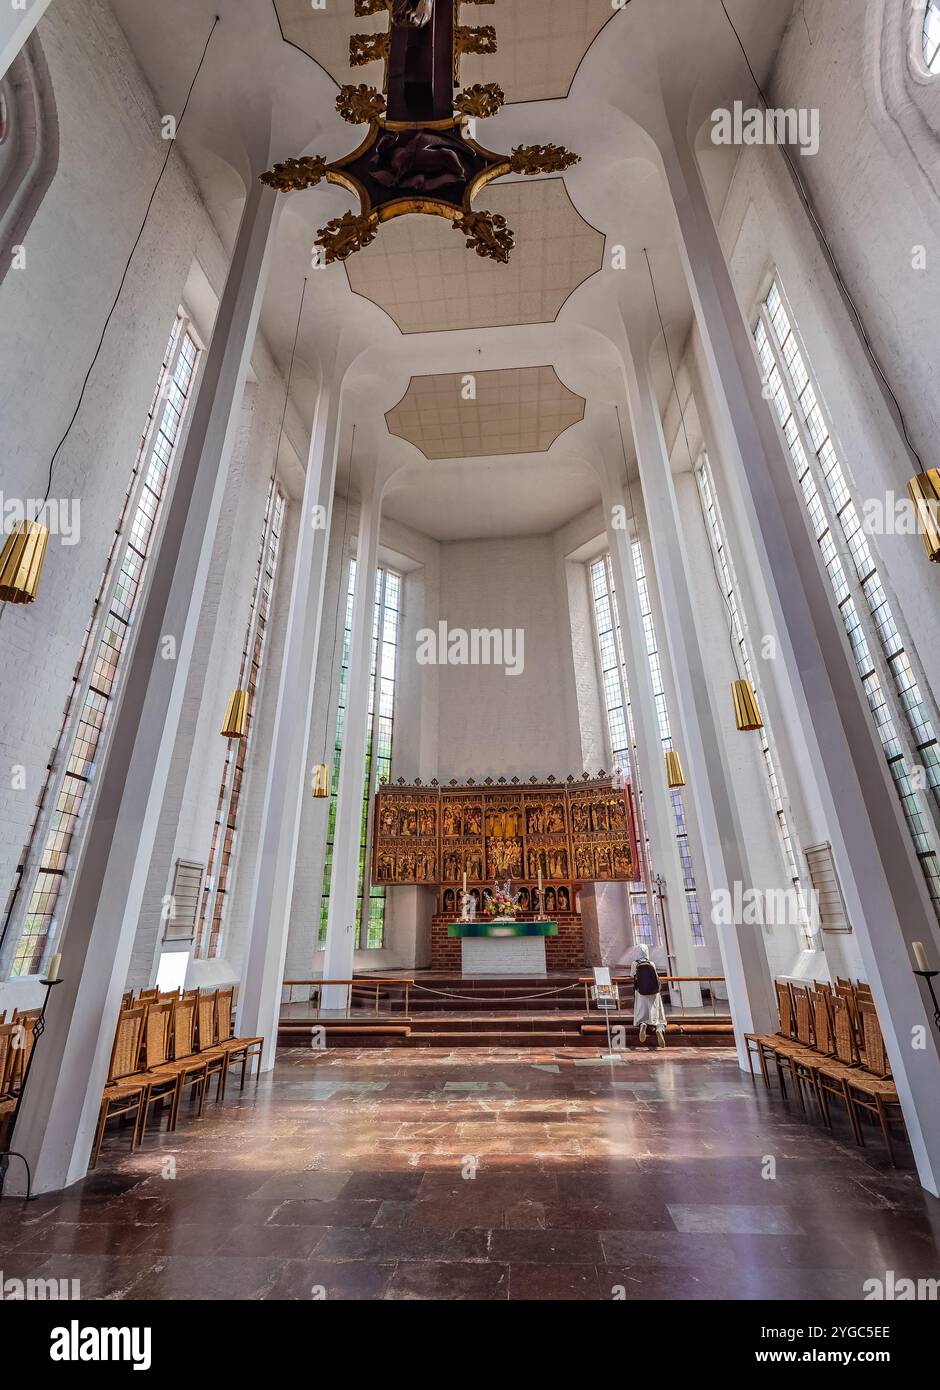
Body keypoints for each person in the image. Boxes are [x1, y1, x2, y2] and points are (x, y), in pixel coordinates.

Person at [632, 943, 666, 1047]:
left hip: (641, 992)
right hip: (654, 992)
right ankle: (659, 1029)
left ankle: (642, 1024)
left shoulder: (635, 964)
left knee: (642, 1013)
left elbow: (633, 976)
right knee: (659, 1016)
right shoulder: (652, 963)